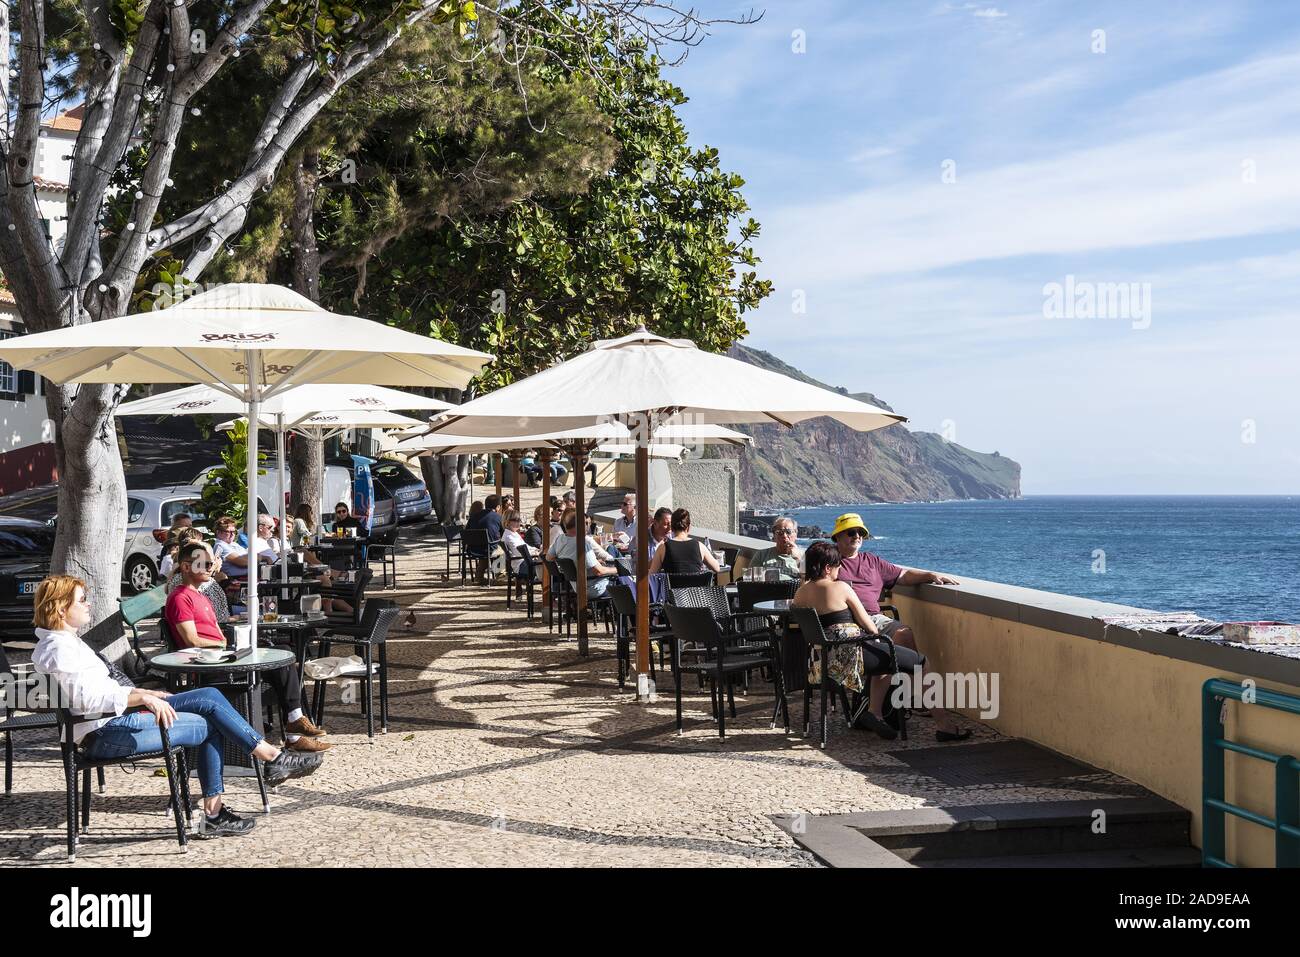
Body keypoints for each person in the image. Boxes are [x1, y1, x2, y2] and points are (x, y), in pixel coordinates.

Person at [32, 575, 323, 837]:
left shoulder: (64, 643)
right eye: (81, 600)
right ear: (60, 609)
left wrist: (142, 691)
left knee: (208, 696)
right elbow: (88, 700)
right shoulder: (60, 650)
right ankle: (236, 792)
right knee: (211, 724)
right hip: (108, 733)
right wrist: (143, 699)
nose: (88, 604)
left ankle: (265, 765)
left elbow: (100, 690)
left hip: (111, 722)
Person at [792, 542, 970, 742]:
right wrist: (875, 635)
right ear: (827, 568)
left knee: (884, 653)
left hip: (821, 664)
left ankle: (874, 712)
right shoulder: (841, 588)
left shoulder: (800, 594)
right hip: (850, 661)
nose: (839, 569)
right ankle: (945, 726)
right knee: (920, 663)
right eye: (837, 566)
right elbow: (870, 626)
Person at [166, 542, 331, 753]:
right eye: (204, 564)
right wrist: (226, 644)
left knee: (283, 654)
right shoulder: (181, 598)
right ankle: (294, 730)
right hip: (212, 665)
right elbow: (192, 641)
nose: (210, 567)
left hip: (224, 656)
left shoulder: (200, 595)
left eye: (211, 563)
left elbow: (215, 630)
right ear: (186, 567)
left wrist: (236, 641)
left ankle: (294, 723)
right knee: (282, 659)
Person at [829, 512, 959, 656]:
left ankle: (911, 674)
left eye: (860, 532)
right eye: (851, 532)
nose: (857, 536)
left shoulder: (872, 561)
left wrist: (930, 575)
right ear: (838, 536)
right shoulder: (829, 562)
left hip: (874, 618)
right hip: (843, 621)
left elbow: (902, 575)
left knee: (904, 634)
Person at [552, 510, 615, 599]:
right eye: (585, 523)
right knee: (624, 584)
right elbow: (599, 571)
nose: (587, 526)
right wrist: (618, 569)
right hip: (592, 588)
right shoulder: (583, 542)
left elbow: (548, 557)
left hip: (576, 587)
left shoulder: (560, 539)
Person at [648, 508, 720, 578]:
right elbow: (717, 568)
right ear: (689, 527)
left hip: (672, 590)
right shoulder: (700, 546)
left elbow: (651, 575)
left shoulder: (663, 547)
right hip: (695, 589)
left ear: (672, 528)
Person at [747, 516, 805, 580]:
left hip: (794, 589)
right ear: (774, 536)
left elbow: (809, 582)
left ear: (796, 534)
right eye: (780, 533)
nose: (784, 536)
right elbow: (751, 580)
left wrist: (798, 559)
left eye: (788, 532)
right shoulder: (762, 555)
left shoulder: (803, 556)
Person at [466, 493, 505, 584]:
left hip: (472, 549)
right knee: (502, 549)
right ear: (498, 507)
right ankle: (500, 575)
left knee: (486, 546)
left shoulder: (474, 517)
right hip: (488, 549)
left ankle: (479, 576)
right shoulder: (498, 517)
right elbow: (504, 534)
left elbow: (467, 531)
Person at [500, 511, 535, 577]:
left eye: (519, 520)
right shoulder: (509, 537)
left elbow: (526, 547)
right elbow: (520, 552)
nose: (519, 522)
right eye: (516, 520)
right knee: (546, 566)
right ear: (507, 522)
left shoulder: (514, 533)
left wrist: (536, 550)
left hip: (524, 562)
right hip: (522, 566)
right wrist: (535, 553)